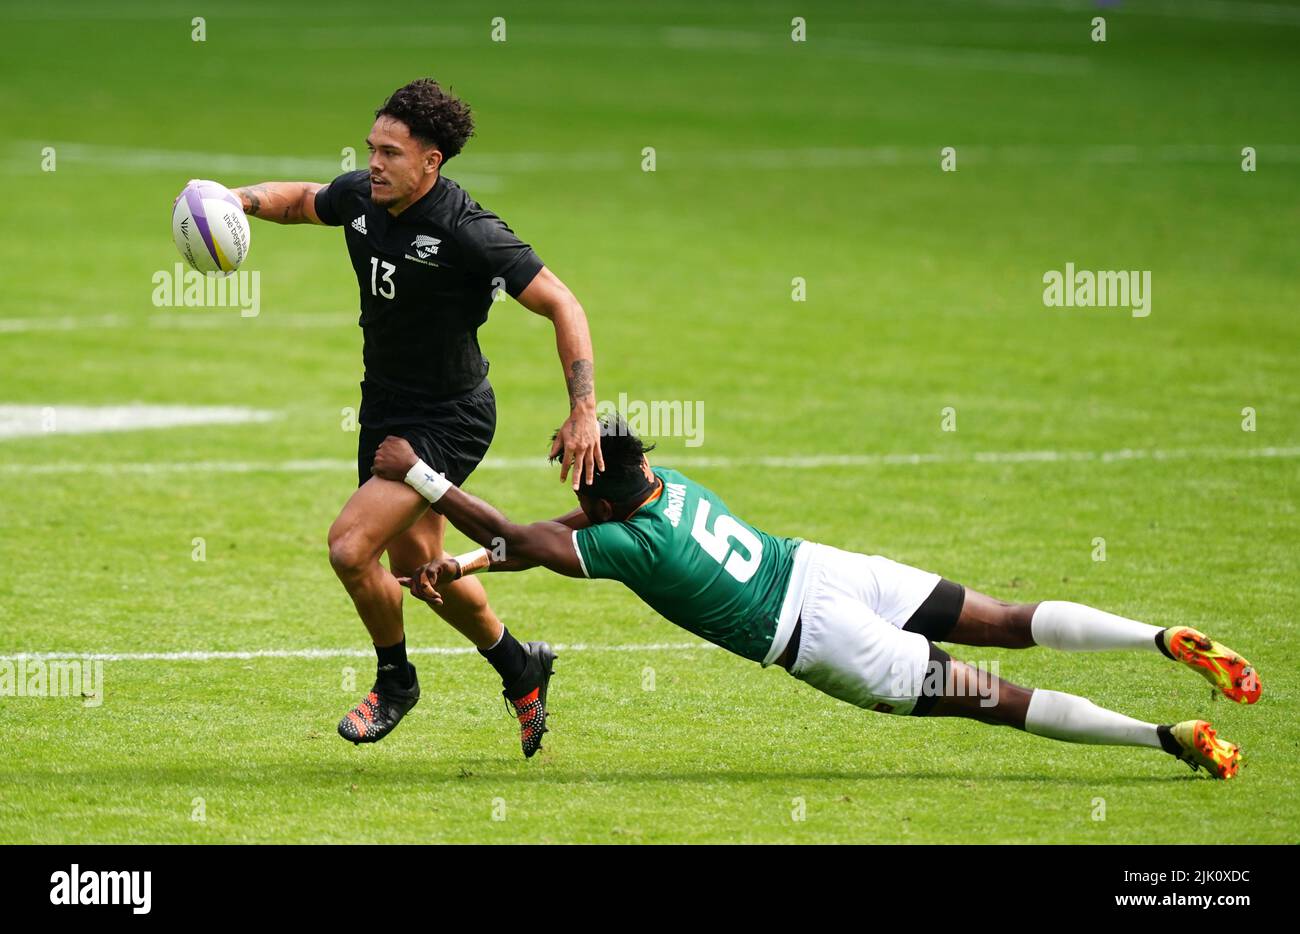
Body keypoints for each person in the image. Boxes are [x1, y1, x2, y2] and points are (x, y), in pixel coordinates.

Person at [371, 419, 1260, 777]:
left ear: (602, 501)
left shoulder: (626, 546)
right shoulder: (662, 488)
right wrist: (472, 567)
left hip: (821, 640)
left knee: (997, 700)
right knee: (1007, 620)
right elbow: (549, 535)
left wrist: (416, 472)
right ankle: (1157, 636)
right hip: (830, 569)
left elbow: (531, 537)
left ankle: (1166, 739)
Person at [224, 78, 603, 756]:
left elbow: (563, 304)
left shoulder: (469, 230)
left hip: (449, 417)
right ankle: (522, 667)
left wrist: (583, 411)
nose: (374, 163)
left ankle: (394, 681)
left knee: (350, 548)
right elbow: (305, 201)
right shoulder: (364, 200)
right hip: (385, 408)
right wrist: (237, 201)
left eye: (391, 153)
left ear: (431, 161)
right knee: (423, 569)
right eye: (372, 148)